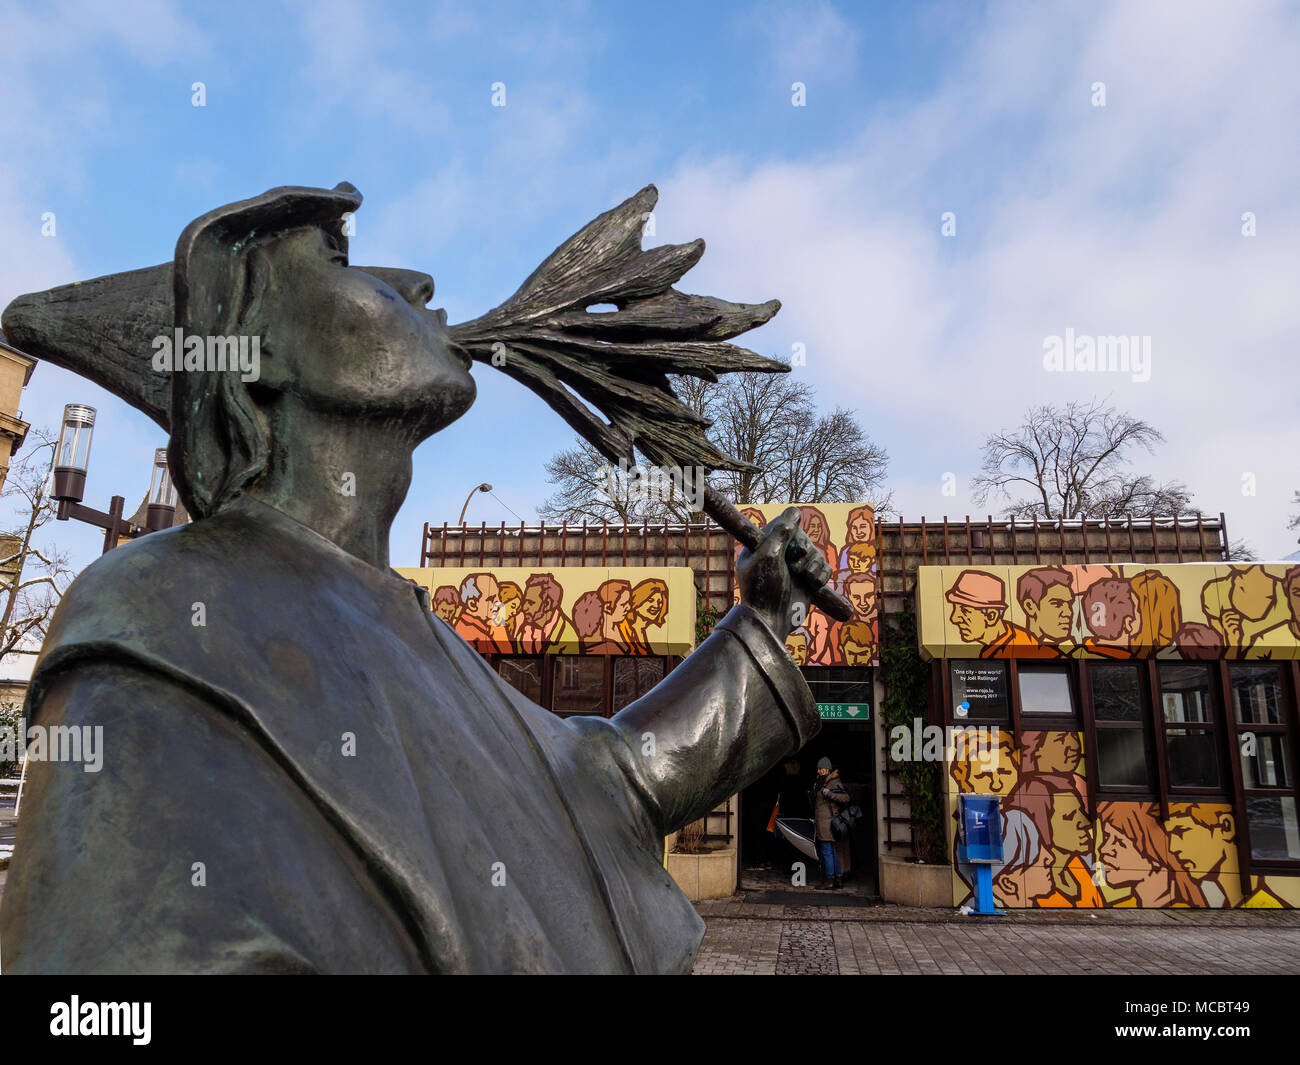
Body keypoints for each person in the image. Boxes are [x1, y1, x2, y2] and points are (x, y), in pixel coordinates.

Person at [0, 183, 834, 973]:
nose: (414, 282)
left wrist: (762, 620)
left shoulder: (418, 632)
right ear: (256, 360)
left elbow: (605, 779)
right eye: (336, 260)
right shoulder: (160, 614)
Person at [811, 757, 851, 890]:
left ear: (827, 769)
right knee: (832, 851)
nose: (818, 770)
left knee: (827, 851)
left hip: (828, 822)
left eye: (820, 768)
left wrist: (830, 794)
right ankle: (838, 878)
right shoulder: (823, 782)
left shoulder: (833, 783)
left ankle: (829, 880)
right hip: (824, 822)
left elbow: (846, 798)